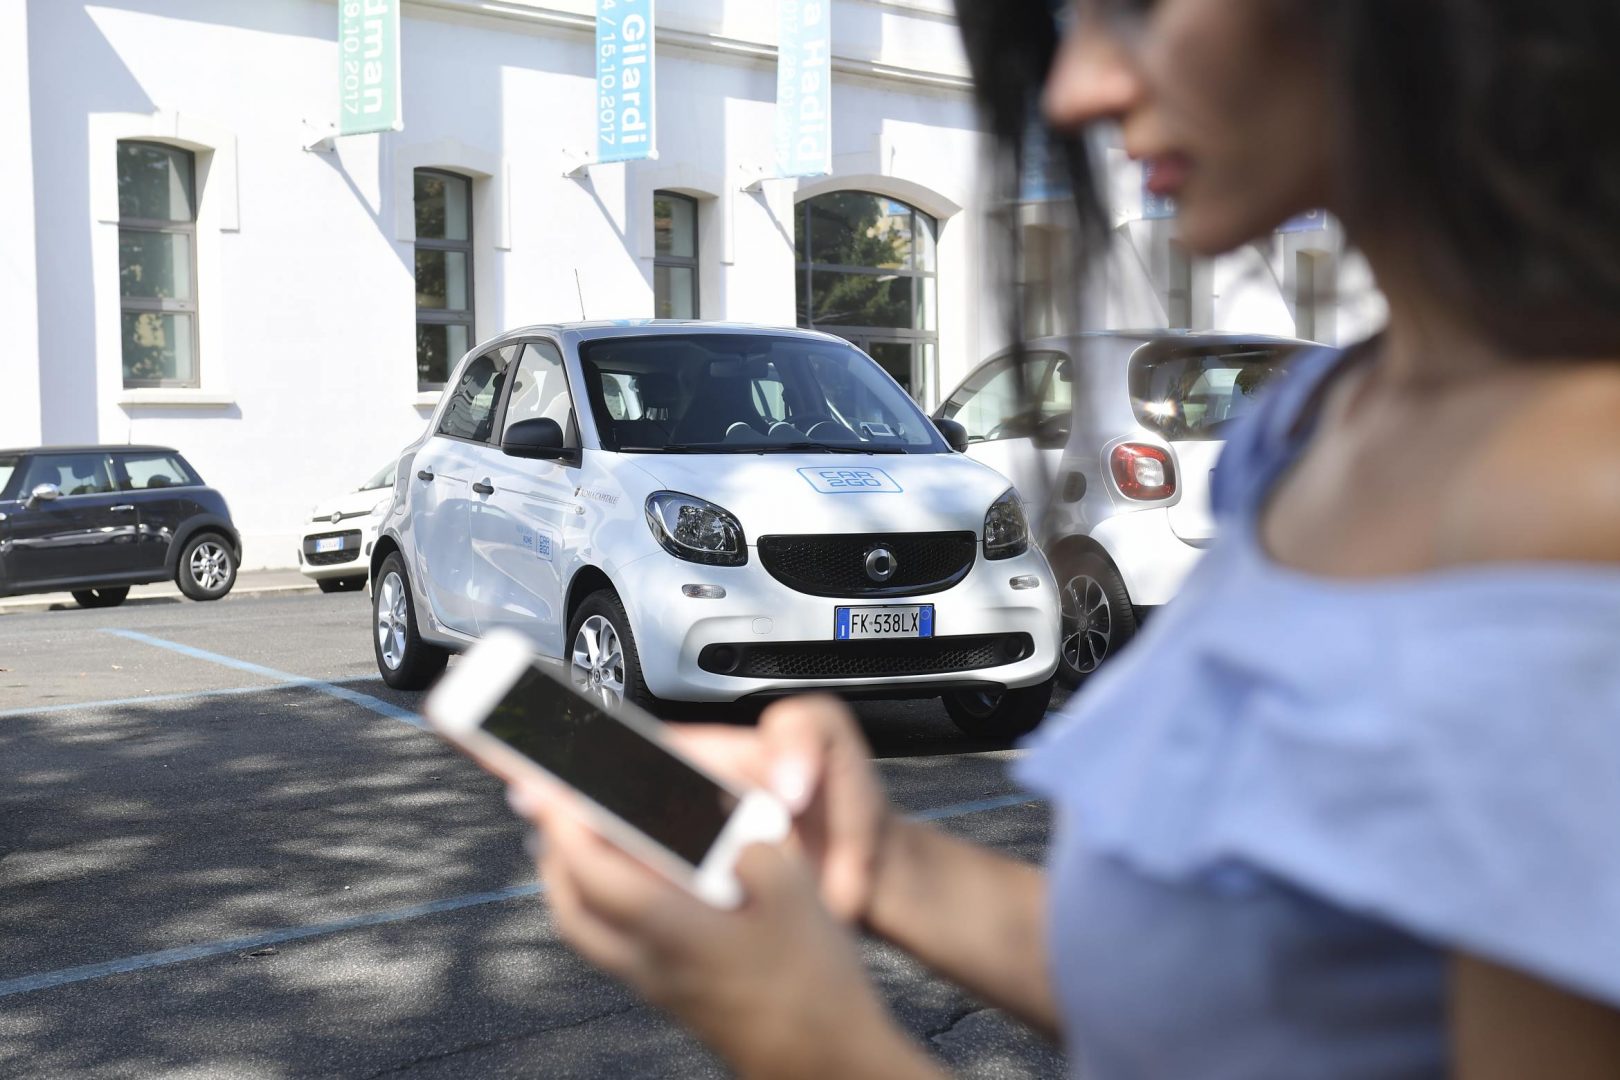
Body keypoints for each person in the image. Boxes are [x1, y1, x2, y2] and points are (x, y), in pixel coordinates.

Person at [511, 0, 1620, 1075]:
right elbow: (1249, 991)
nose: (1080, 85)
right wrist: (872, 859)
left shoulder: (1572, 512)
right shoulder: (1315, 424)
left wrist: (804, 1038)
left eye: (1134, 5)